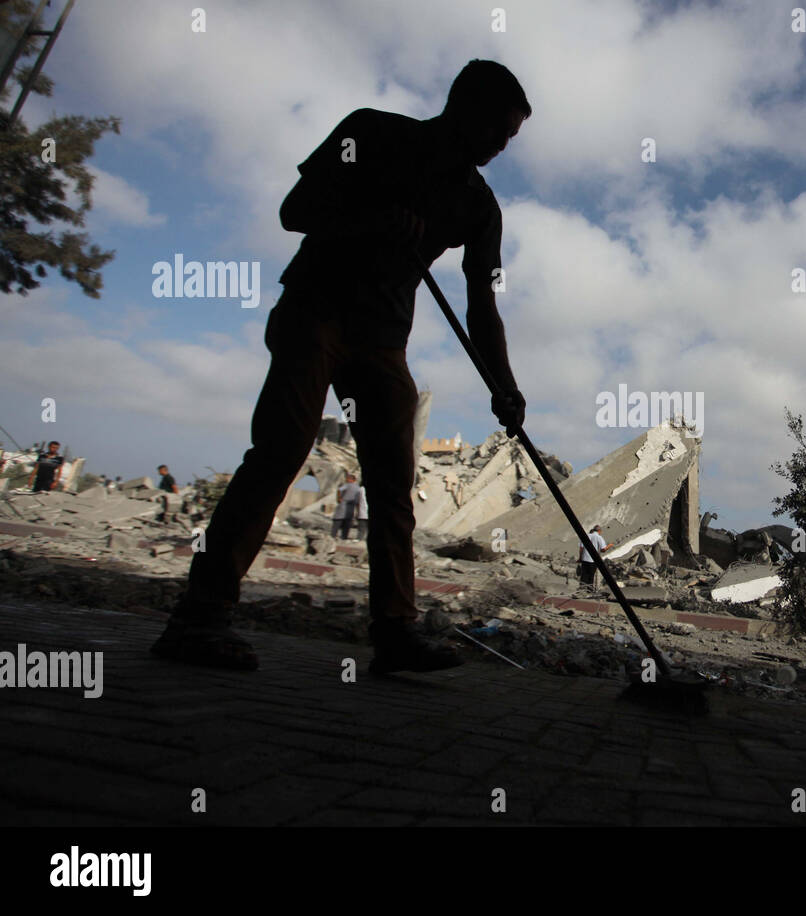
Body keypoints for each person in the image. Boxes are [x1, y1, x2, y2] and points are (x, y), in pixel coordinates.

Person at [152, 59, 530, 673]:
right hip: (316, 313)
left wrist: (505, 387)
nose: (500, 147)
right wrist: (374, 220)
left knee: (392, 488)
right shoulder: (372, 133)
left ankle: (394, 636)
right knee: (281, 451)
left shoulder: (478, 207)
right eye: (496, 131)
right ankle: (198, 617)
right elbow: (294, 210)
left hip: (383, 342)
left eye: (510, 140)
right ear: (463, 106)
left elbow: (481, 302)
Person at [331, 472, 361, 539]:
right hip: (351, 508)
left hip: (343, 505)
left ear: (351, 480)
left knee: (337, 521)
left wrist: (339, 498)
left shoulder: (347, 485)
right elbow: (358, 500)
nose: (346, 480)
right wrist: (357, 510)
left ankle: (333, 535)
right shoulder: (358, 488)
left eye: (348, 479)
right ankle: (344, 536)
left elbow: (339, 490)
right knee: (347, 523)